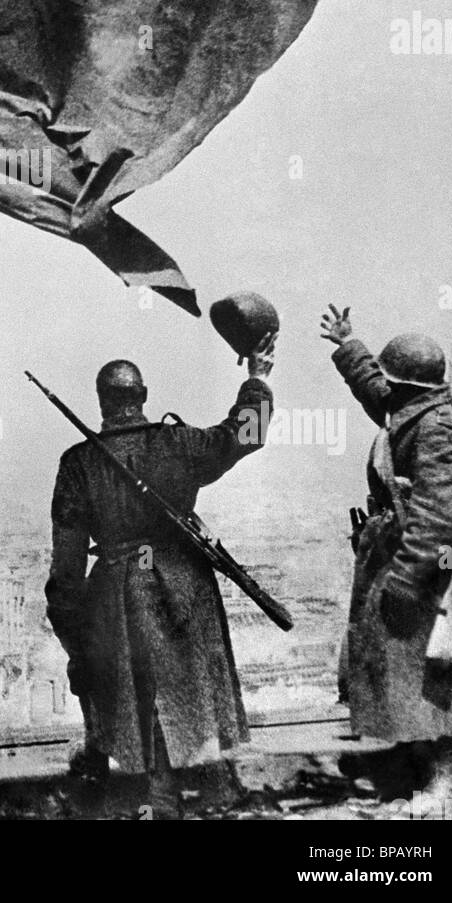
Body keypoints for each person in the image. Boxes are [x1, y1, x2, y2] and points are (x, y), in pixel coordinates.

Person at [45, 334, 276, 818]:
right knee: (190, 690)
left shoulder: (77, 464)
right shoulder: (177, 443)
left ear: (102, 401)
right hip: (183, 583)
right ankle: (211, 792)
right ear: (143, 396)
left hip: (115, 593)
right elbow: (247, 433)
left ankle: (161, 798)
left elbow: (65, 571)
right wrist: (256, 379)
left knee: (139, 700)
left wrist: (76, 643)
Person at [321, 305, 452, 803]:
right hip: (406, 553)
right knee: (400, 660)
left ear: (411, 387)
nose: (388, 392)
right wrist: (348, 345)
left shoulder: (436, 429)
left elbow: (438, 512)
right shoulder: (415, 409)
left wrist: (409, 578)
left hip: (431, 565)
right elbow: (381, 395)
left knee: (438, 666)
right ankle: (410, 756)